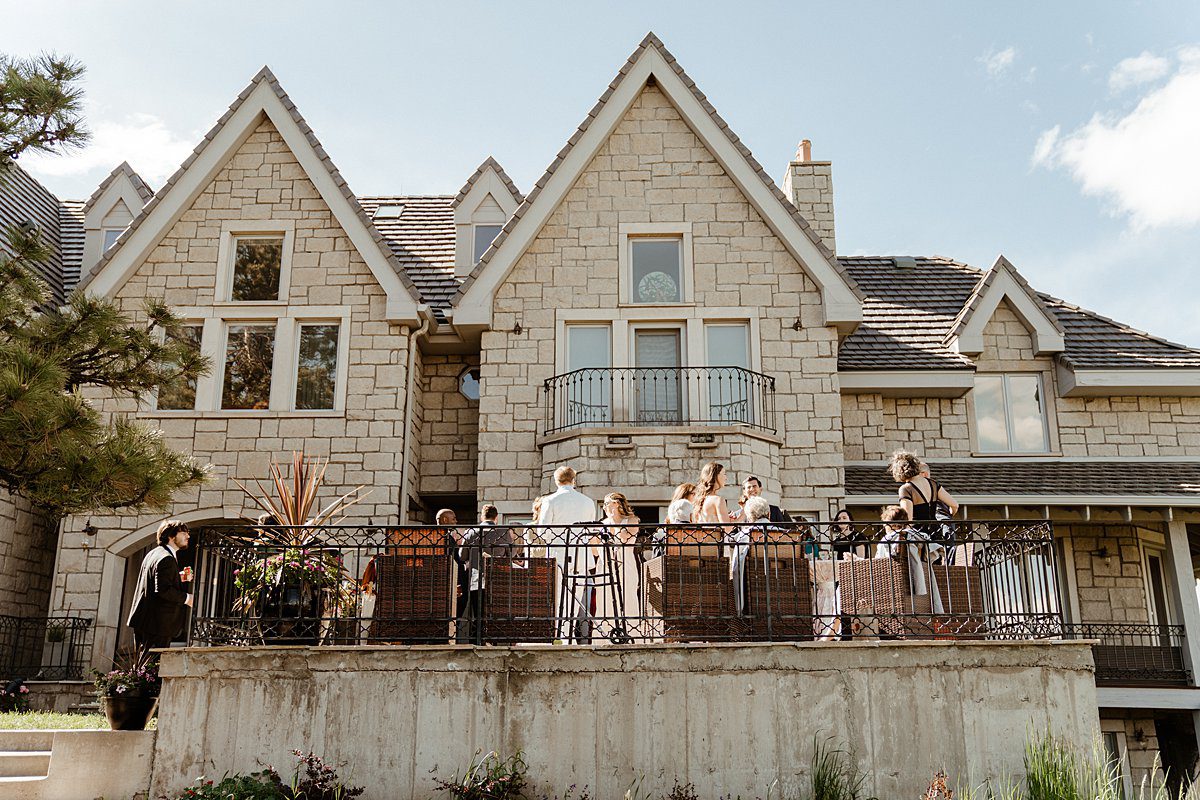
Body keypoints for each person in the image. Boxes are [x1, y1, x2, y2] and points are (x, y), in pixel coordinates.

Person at [538, 466, 597, 642]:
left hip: (558, 554)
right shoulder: (588, 501)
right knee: (575, 599)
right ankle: (567, 636)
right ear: (574, 480)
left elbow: (542, 531)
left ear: (556, 481)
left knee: (557, 599)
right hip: (581, 556)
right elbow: (591, 530)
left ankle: (559, 637)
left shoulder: (550, 500)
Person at [127, 519, 194, 659]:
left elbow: (153, 581)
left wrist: (178, 577)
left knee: (143, 667)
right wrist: (187, 598)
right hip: (157, 624)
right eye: (183, 533)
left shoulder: (153, 554)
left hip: (145, 621)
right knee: (151, 669)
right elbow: (163, 590)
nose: (188, 536)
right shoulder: (167, 558)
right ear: (171, 536)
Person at [458, 504, 517, 644]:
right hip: (498, 580)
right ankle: (494, 642)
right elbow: (512, 554)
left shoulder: (472, 531)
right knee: (495, 613)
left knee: (477, 614)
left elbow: (461, 555)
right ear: (496, 517)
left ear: (481, 516)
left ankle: (477, 642)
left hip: (476, 580)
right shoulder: (503, 532)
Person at [876, 504, 944, 615]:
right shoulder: (920, 538)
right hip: (921, 584)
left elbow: (878, 565)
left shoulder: (888, 540)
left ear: (890, 524)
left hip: (894, 589)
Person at [594, 492, 641, 642]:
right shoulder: (602, 524)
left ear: (617, 504)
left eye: (608, 503)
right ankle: (604, 637)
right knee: (605, 599)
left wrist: (614, 522)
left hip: (625, 562)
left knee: (628, 598)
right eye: (604, 504)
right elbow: (594, 549)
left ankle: (631, 635)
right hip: (605, 564)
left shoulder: (632, 520)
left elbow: (624, 537)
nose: (605, 507)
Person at [695, 463, 735, 529]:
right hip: (717, 538)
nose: (726, 478)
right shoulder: (718, 500)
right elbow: (727, 529)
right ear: (716, 476)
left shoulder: (700, 499)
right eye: (724, 474)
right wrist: (741, 517)